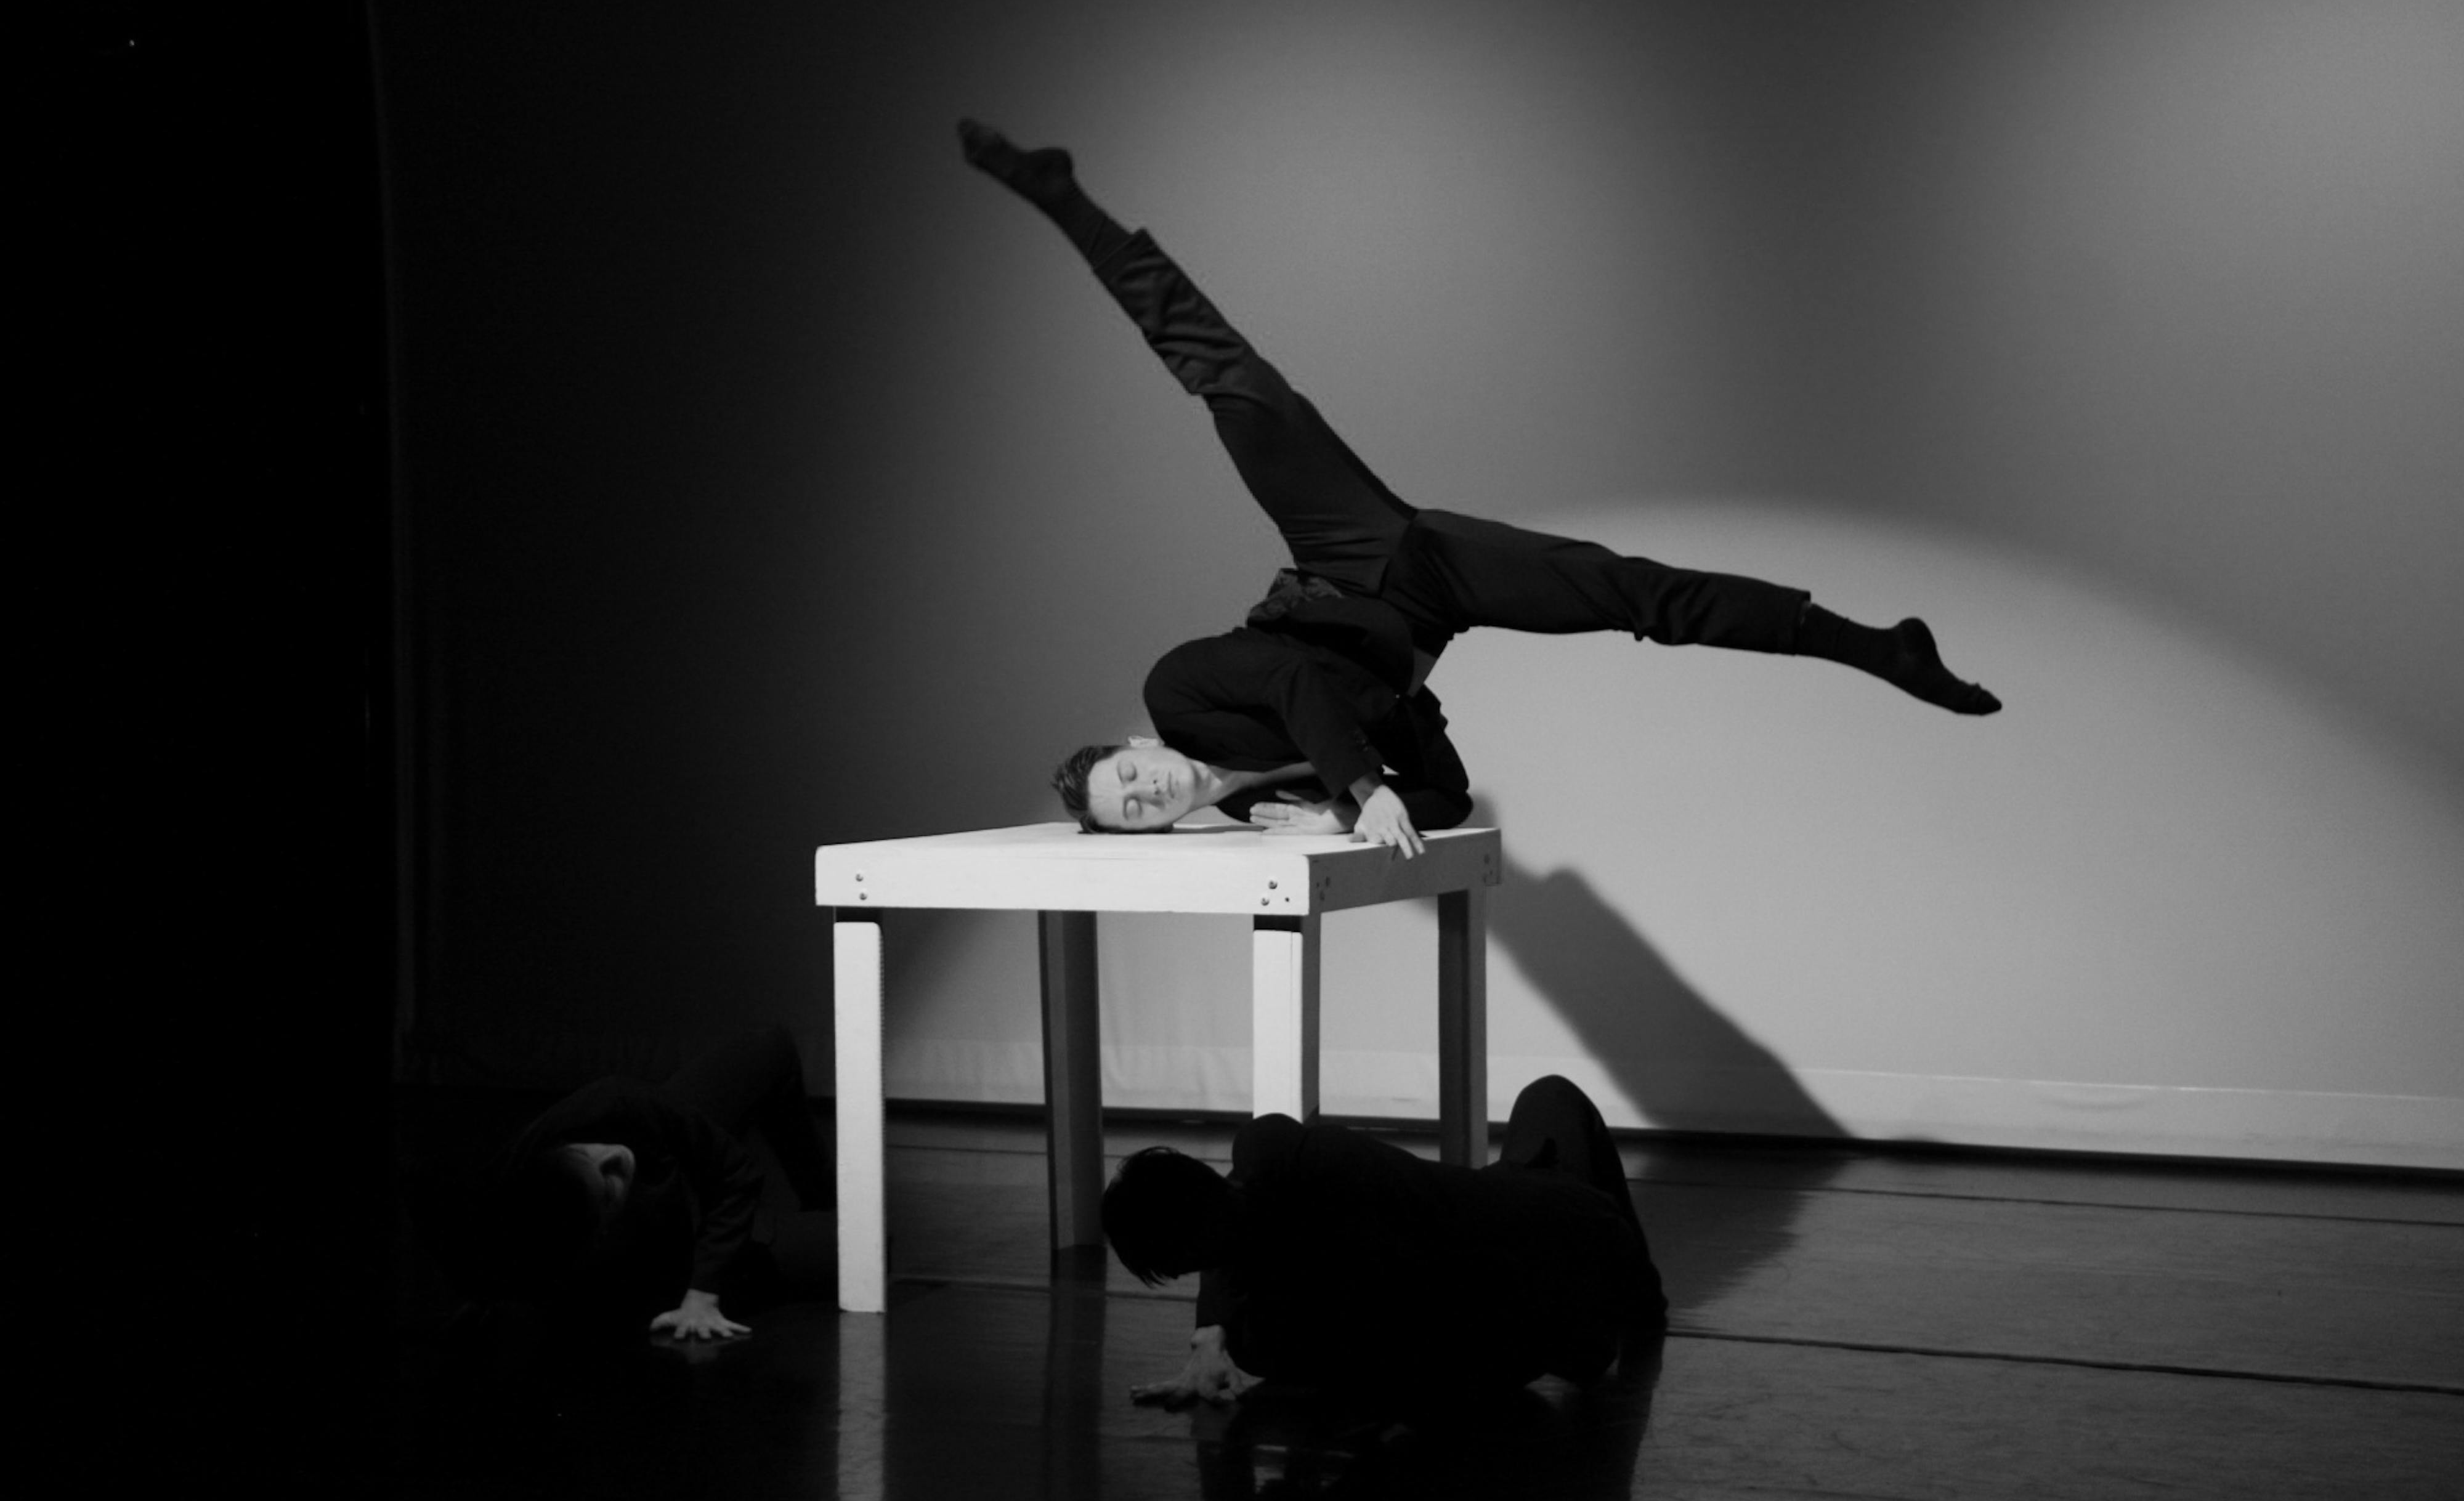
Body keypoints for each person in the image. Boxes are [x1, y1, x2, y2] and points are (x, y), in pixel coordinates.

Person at [957, 121, 2001, 858]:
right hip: (1432, 611)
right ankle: (1879, 648)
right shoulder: (1256, 819)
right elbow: (1447, 794)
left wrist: (1357, 794)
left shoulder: (1176, 694)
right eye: (1135, 812)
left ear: (1138, 751)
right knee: (1633, 600)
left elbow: (1297, 687)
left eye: (1128, 778)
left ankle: (1061, 197)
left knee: (1233, 382)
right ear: (1151, 829)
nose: (1147, 791)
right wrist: (1344, 807)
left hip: (1355, 554)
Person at [1104, 1075, 1665, 1407]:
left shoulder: (1273, 1323)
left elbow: (1235, 1223)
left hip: (1551, 1285)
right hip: (1562, 1245)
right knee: (1550, 1095)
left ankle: (1636, 1302)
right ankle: (1643, 1302)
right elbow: (1246, 1182)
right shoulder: (1291, 1168)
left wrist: (1211, 1333)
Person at [448, 1025, 834, 1345]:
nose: (613, 1158)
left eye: (587, 1156)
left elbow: (734, 1171)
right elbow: (734, 1188)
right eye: (609, 1185)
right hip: (684, 1234)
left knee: (771, 1047)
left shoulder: (603, 1108)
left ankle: (824, 1196)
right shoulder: (608, 1260)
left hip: (666, 1149)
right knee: (859, 1249)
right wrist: (700, 1295)